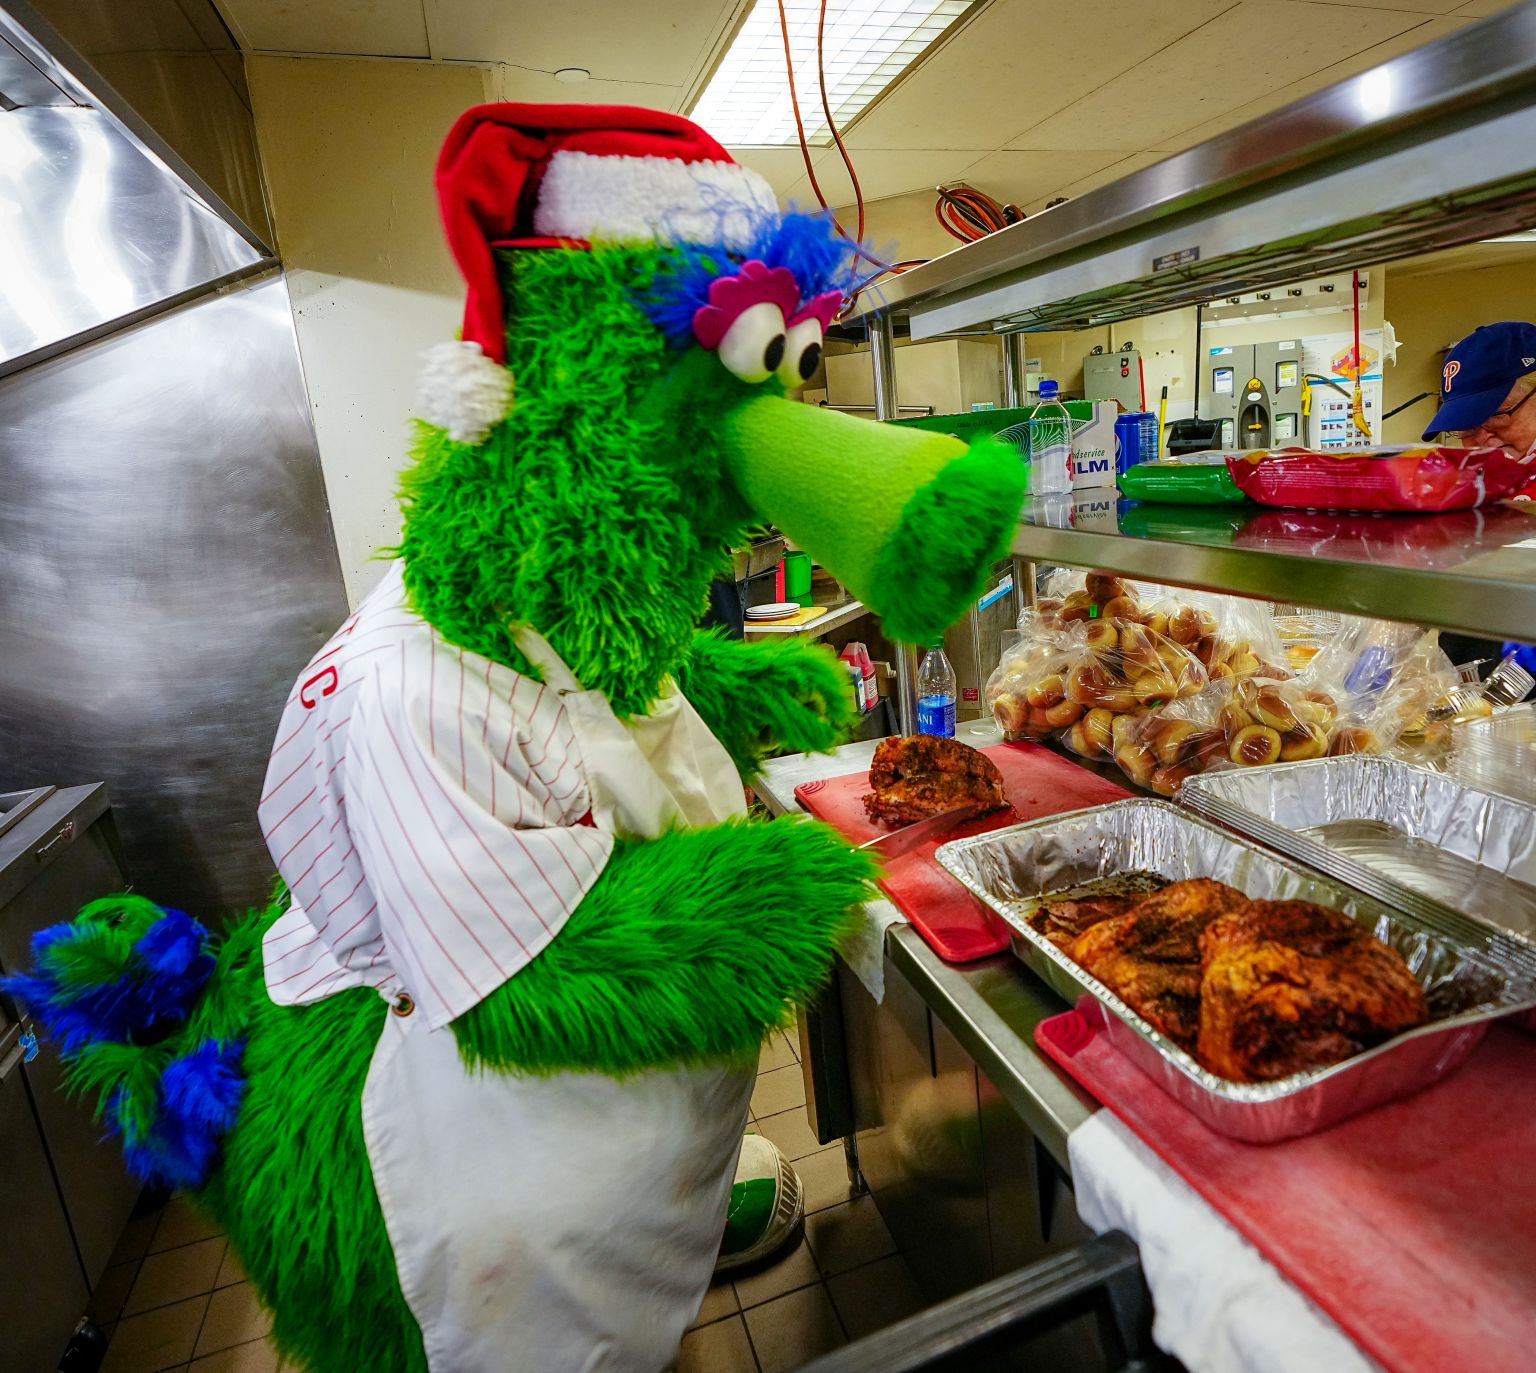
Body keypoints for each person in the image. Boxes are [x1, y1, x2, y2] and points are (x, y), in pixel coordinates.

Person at [1421, 320, 1536, 672]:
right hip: (1469, 682)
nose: (1482, 439)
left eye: (1497, 416)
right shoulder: (1465, 486)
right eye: (1466, 427)